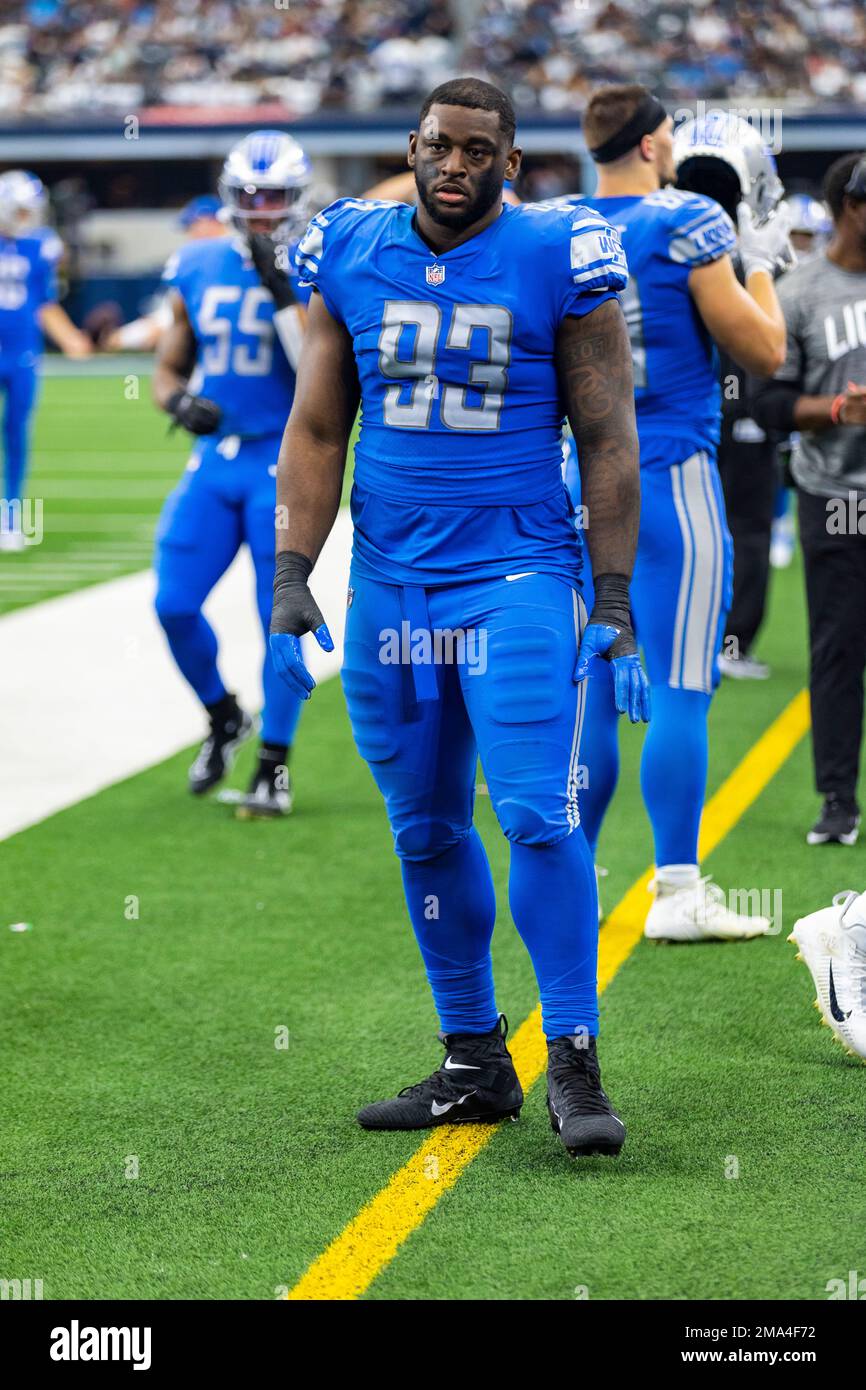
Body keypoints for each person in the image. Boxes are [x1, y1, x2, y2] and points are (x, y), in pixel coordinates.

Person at [270, 77, 650, 1159]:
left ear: (510, 163)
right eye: (438, 145)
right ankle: (473, 1059)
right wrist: (292, 567)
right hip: (389, 579)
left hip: (514, 571)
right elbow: (313, 423)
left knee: (535, 810)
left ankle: (571, 1054)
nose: (454, 165)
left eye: (478, 151)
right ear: (412, 144)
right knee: (424, 828)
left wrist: (611, 591)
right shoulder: (346, 245)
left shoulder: (555, 252)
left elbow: (607, 434)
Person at [571, 91, 790, 940]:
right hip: (669, 475)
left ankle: (572, 881)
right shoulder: (689, 220)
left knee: (591, 690)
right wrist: (761, 258)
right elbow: (764, 350)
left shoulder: (554, 223)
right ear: (657, 140)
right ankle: (676, 892)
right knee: (679, 689)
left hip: (578, 480)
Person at [151, 132, 313, 817]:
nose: (264, 210)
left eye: (275, 196)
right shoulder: (198, 261)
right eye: (251, 196)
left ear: (298, 198)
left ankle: (274, 761)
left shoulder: (318, 261)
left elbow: (319, 373)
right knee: (173, 603)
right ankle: (223, 715)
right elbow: (166, 370)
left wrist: (283, 292)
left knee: (276, 621)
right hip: (218, 462)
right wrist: (181, 402)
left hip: (285, 457)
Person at [752, 154, 866, 848]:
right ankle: (837, 800)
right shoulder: (797, 293)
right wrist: (834, 410)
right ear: (853, 207)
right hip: (834, 494)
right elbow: (764, 401)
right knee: (837, 653)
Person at [672, 117, 792, 683]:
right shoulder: (747, 254)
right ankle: (728, 642)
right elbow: (770, 349)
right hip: (731, 407)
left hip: (667, 421)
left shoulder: (652, 238)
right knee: (744, 527)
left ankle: (678, 636)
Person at [0, 169, 92, 551]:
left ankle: (11, 517)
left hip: (22, 353)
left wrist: (71, 338)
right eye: (20, 211)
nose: (27, 219)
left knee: (16, 433)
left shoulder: (40, 246)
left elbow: (44, 303)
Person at [98, 196, 226, 354]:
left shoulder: (216, 260)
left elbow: (170, 325)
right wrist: (122, 336)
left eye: (192, 227)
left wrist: (123, 338)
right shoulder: (202, 258)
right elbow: (163, 318)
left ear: (208, 222)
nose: (190, 235)